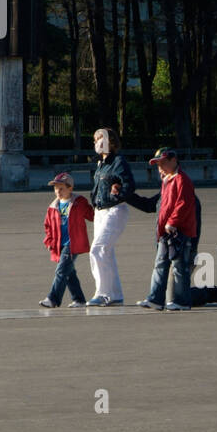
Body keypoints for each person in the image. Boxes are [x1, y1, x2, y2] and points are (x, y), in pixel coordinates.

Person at [131, 148, 217, 310]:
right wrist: (123, 195)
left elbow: (182, 206)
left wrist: (173, 224)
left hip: (181, 238)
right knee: (160, 266)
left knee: (177, 279)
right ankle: (155, 299)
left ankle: (209, 294)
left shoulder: (182, 182)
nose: (159, 167)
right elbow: (150, 205)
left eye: (162, 162)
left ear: (173, 160)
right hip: (166, 236)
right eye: (157, 164)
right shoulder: (167, 183)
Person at [86, 127, 136, 306]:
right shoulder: (101, 163)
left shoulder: (118, 162)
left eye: (98, 138)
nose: (95, 142)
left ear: (109, 141)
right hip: (100, 212)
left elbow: (129, 185)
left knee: (97, 249)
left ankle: (103, 293)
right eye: (94, 139)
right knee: (106, 252)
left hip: (115, 209)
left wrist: (119, 192)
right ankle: (115, 295)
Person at [39, 172, 94, 308]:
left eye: (61, 188)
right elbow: (48, 226)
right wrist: (49, 242)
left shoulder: (78, 202)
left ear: (70, 188)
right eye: (56, 188)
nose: (58, 191)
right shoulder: (53, 207)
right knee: (69, 273)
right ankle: (79, 300)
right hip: (59, 244)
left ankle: (53, 299)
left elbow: (92, 215)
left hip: (72, 244)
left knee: (61, 271)